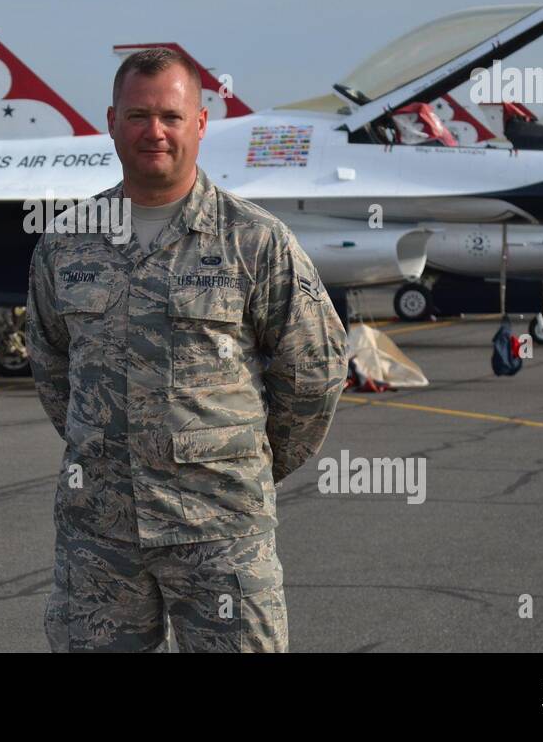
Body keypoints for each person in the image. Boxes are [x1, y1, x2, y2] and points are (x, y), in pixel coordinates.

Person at [26, 47, 347, 652]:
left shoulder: (256, 241)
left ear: (200, 124)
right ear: (112, 121)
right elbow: (52, 369)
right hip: (100, 537)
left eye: (172, 116)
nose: (155, 132)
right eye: (138, 115)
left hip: (220, 533)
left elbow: (313, 374)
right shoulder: (66, 244)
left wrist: (242, 464)